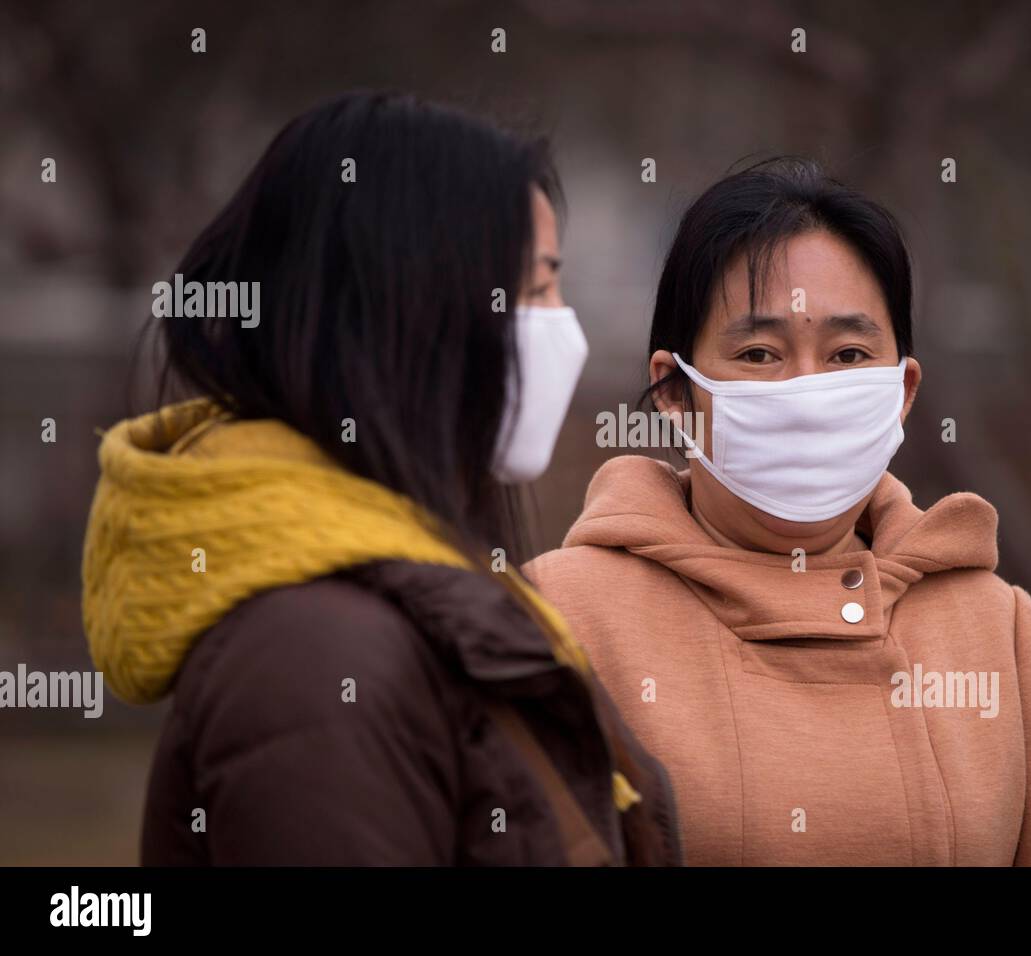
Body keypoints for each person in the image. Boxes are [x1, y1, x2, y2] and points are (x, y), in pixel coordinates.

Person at [81, 91, 681, 866]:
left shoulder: (406, 592)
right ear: (410, 312)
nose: (562, 326)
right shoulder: (320, 660)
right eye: (532, 291)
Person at [526, 157, 1031, 866]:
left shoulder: (998, 629)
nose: (807, 391)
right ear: (673, 392)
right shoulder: (560, 616)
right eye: (759, 353)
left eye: (847, 354)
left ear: (901, 390)